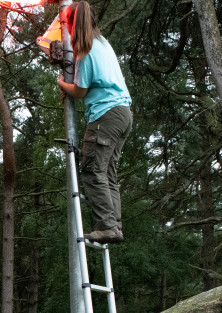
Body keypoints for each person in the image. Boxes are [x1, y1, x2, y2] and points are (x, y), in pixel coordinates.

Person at [56, 1, 132, 245]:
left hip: (105, 115)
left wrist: (61, 83)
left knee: (91, 169)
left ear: (72, 24)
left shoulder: (86, 51)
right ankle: (115, 225)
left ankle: (107, 227)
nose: (64, 28)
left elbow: (79, 90)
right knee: (108, 173)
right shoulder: (102, 42)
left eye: (66, 23)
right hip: (123, 113)